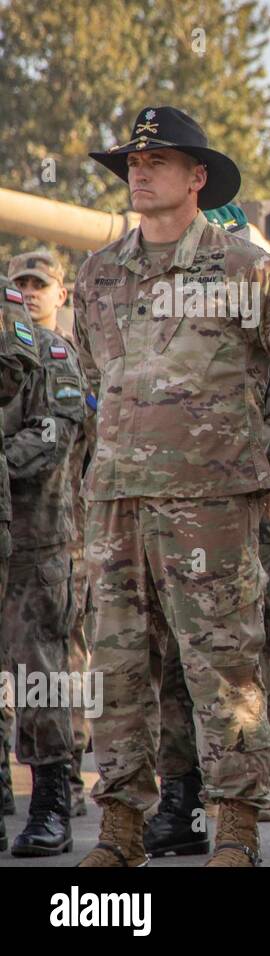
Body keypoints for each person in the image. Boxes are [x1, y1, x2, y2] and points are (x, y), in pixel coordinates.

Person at [73, 105, 270, 867]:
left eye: (157, 162)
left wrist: (268, 467)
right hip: (117, 503)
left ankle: (236, 830)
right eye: (131, 164)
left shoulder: (248, 270)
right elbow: (98, 377)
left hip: (212, 506)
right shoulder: (98, 274)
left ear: (198, 177)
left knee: (224, 670)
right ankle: (121, 829)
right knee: (119, 672)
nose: (139, 173)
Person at [0, 272, 52, 854]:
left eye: (42, 285)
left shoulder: (47, 352)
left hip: (38, 534)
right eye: (25, 283)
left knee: (39, 672)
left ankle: (51, 799)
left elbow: (56, 430)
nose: (31, 293)